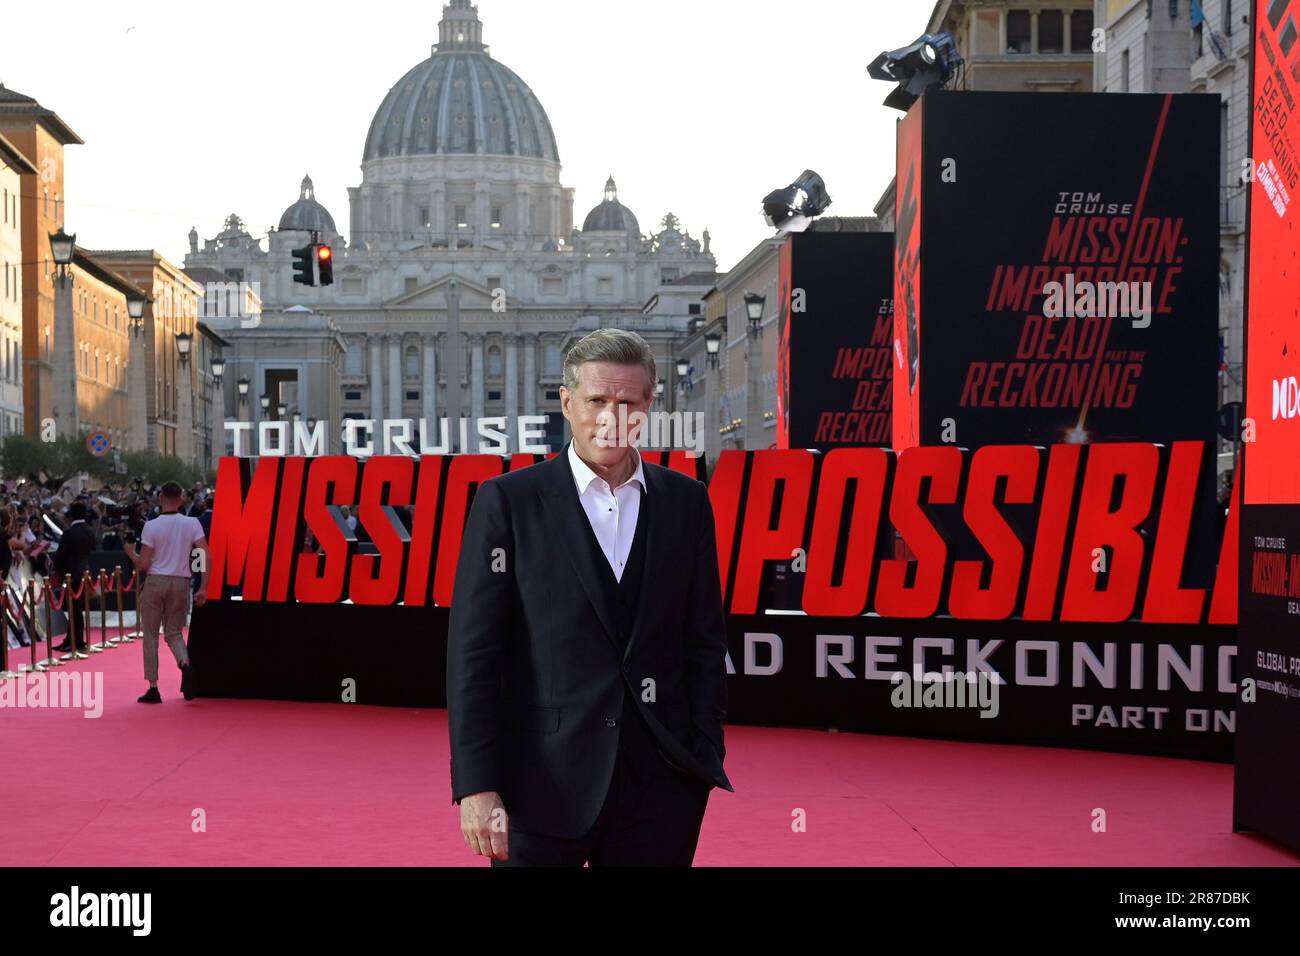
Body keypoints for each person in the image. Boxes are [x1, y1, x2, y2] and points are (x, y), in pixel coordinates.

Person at [447, 328, 733, 867]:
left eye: (627, 401)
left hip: (662, 791)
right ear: (566, 402)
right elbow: (474, 657)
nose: (611, 416)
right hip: (535, 786)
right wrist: (476, 785)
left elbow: (704, 642)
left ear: (650, 404)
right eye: (597, 400)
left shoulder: (685, 502)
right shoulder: (509, 502)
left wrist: (701, 755)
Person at [125, 481, 210, 704]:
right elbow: (203, 554)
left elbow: (143, 564)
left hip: (156, 581)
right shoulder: (192, 523)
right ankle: (185, 664)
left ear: (161, 498)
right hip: (181, 582)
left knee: (151, 634)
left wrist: (130, 553)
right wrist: (203, 586)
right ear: (181, 499)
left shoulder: (151, 526)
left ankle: (153, 687)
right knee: (174, 632)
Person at [51, 502, 96, 654]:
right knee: (76, 609)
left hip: (72, 575)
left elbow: (60, 555)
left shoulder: (69, 533)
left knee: (74, 610)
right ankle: (72, 640)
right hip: (85, 571)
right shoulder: (89, 530)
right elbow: (93, 547)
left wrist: (59, 570)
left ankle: (76, 641)